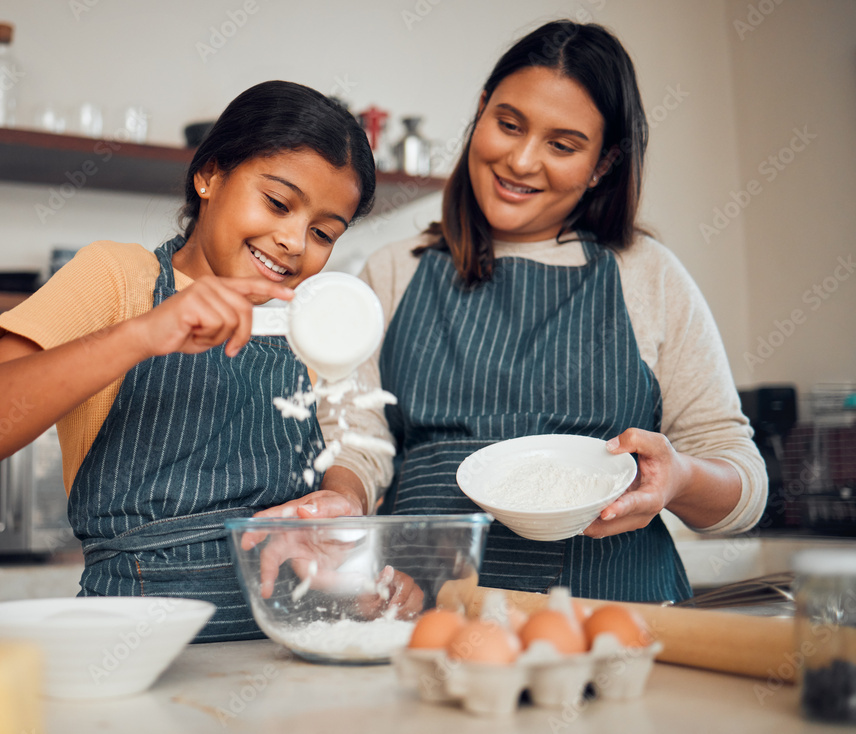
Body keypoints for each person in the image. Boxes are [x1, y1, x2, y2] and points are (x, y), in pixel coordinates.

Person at [0, 80, 380, 641]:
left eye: (323, 232)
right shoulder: (118, 280)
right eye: (278, 203)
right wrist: (142, 334)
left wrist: (343, 500)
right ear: (209, 175)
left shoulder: (315, 320)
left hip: (288, 644)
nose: (293, 241)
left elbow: (352, 442)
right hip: (133, 645)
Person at [326, 20, 768, 603]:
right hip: (426, 620)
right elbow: (361, 446)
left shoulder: (647, 274)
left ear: (603, 164)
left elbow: (743, 486)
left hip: (620, 622)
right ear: (481, 111)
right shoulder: (392, 270)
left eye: (562, 145)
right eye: (508, 125)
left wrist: (679, 478)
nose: (522, 161)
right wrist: (341, 503)